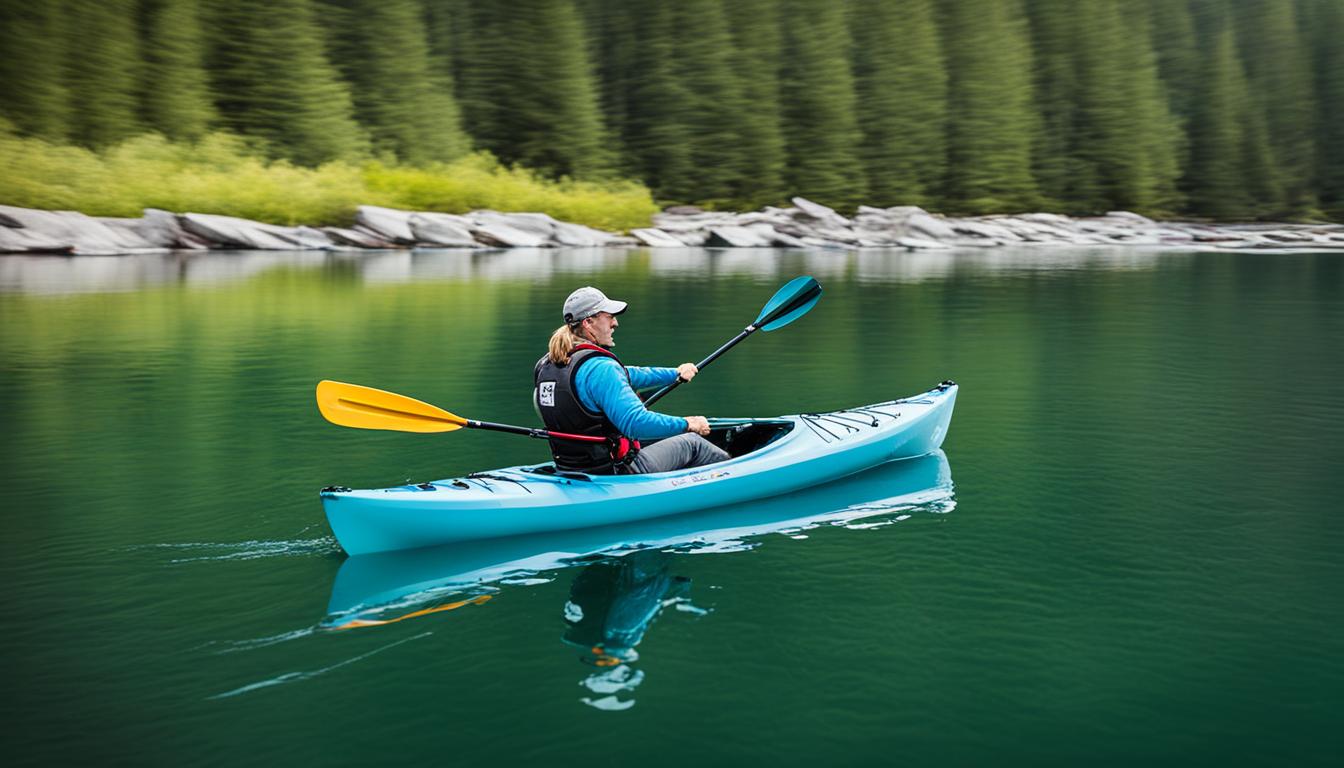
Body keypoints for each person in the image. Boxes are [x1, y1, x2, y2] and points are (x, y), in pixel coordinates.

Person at [534, 286, 730, 475]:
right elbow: (636, 423)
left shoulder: (548, 365)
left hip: (572, 466)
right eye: (609, 317)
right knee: (692, 443)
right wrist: (688, 423)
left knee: (654, 437)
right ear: (588, 323)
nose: (615, 323)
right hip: (615, 470)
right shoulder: (601, 368)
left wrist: (674, 374)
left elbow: (627, 374)